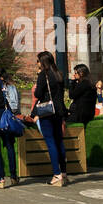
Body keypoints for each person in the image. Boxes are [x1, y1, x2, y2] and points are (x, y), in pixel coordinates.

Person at [30, 51, 68, 186]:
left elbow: (38, 93)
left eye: (38, 61)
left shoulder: (43, 75)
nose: (37, 63)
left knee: (50, 142)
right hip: (59, 111)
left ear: (43, 62)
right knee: (59, 142)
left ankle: (56, 174)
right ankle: (63, 173)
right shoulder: (59, 74)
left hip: (47, 112)